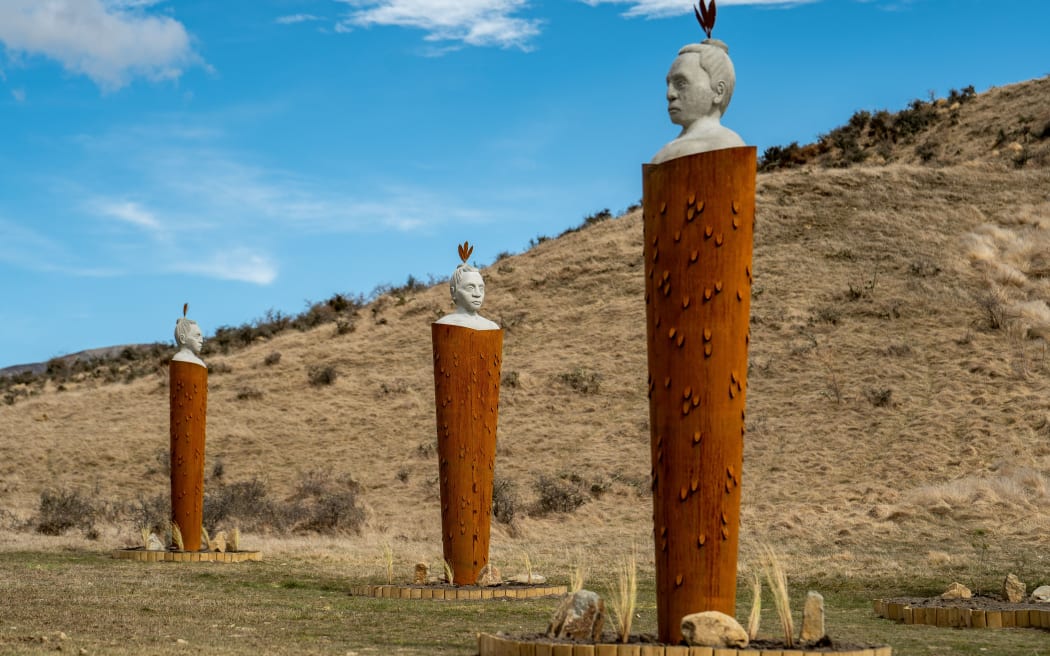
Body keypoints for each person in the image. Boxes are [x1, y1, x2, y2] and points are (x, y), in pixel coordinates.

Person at [651, 39, 744, 164]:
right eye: (669, 84)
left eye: (681, 83)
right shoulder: (661, 155)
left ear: (718, 91)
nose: (670, 94)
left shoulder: (728, 145)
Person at [435, 263, 500, 330]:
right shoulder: (443, 325)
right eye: (470, 288)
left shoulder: (492, 327)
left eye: (481, 288)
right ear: (453, 292)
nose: (477, 294)